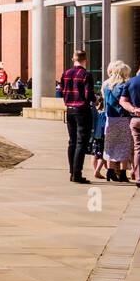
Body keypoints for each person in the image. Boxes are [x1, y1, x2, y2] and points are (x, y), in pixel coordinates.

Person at [58, 49, 94, 184]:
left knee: (72, 141)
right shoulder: (86, 75)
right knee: (81, 142)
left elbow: (61, 91)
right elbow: (87, 94)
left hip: (70, 109)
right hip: (82, 110)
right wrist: (94, 100)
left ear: (73, 59)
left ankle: (72, 171)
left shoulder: (66, 73)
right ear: (86, 60)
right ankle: (77, 173)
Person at [101, 61, 134, 181]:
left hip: (109, 119)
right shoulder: (125, 85)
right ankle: (123, 173)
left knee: (110, 145)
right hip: (123, 118)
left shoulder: (106, 85)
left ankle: (110, 171)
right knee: (124, 145)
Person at [120, 57, 140, 188]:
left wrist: (134, 109)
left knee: (139, 149)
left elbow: (122, 101)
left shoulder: (131, 82)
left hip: (136, 120)